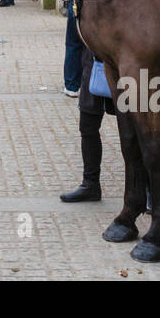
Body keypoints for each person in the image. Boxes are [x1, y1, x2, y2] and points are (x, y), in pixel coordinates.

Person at [60, 44, 115, 204]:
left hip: (126, 64)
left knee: (133, 130)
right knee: (87, 126)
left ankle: (147, 189)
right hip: (93, 62)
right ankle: (90, 184)